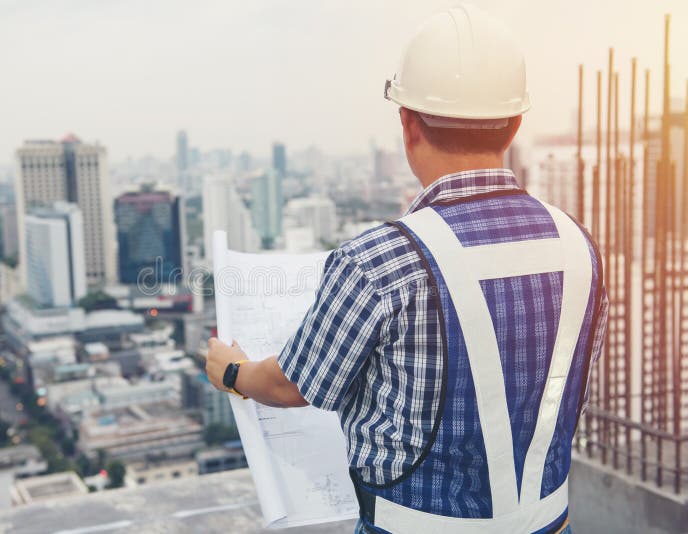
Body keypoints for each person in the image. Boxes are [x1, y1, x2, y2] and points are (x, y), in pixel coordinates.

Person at [206, 4, 608, 533]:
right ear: (514, 125)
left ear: (407, 122)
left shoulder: (379, 262)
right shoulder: (579, 247)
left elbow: (290, 385)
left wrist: (233, 371)